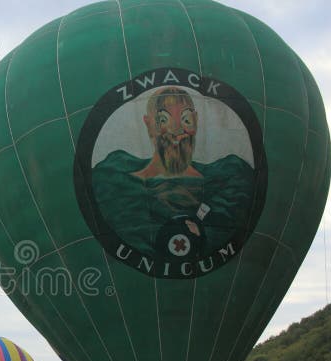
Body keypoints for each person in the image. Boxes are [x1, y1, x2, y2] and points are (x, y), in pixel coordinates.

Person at [89, 86, 256, 263]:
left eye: (186, 119)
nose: (177, 131)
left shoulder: (231, 177)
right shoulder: (112, 179)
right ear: (148, 124)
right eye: (164, 120)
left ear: (196, 120)